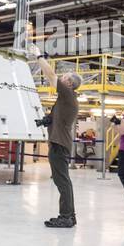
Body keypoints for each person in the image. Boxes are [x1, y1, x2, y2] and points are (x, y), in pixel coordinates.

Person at [36, 57, 80, 229]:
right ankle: (70, 215)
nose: (61, 78)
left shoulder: (67, 94)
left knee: (62, 181)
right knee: (63, 181)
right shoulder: (65, 99)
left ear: (69, 83)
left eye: (64, 77)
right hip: (59, 142)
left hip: (59, 144)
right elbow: (60, 120)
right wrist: (48, 120)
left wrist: (39, 57)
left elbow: (50, 75)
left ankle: (66, 217)